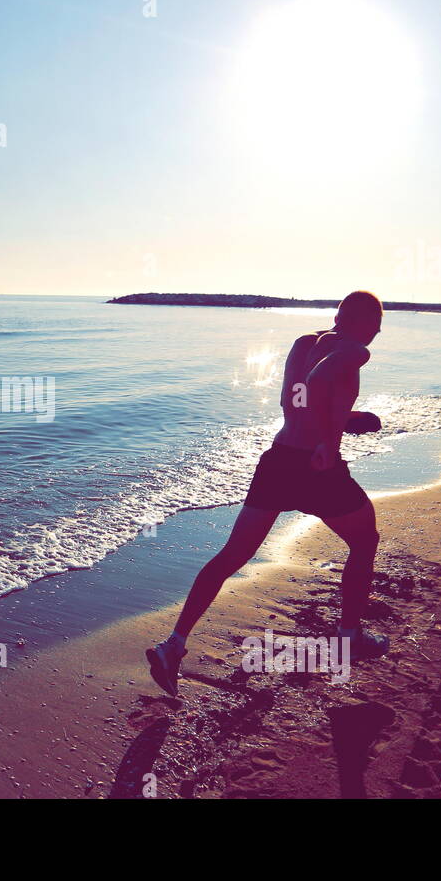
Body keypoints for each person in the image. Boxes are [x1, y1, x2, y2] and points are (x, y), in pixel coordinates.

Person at [147, 291, 389, 697]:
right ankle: (350, 636)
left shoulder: (304, 342)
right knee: (365, 541)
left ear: (336, 315)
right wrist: (329, 441)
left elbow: (297, 400)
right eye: (376, 330)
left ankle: (174, 644)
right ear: (372, 328)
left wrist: (346, 420)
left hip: (279, 461)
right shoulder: (356, 350)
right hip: (317, 468)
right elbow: (321, 380)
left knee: (232, 556)